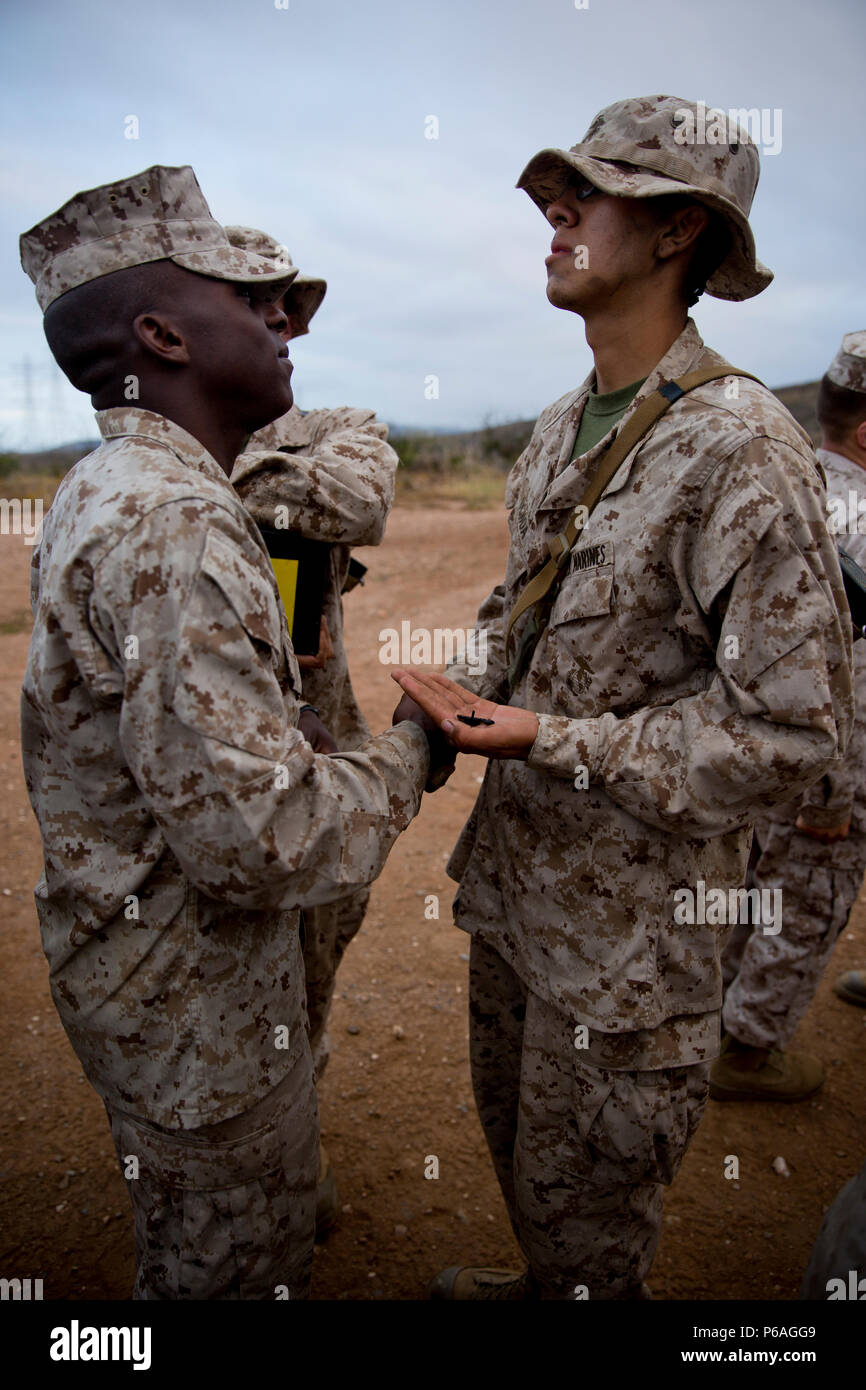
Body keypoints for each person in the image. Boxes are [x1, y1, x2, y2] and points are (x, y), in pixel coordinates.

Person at [393, 95, 854, 1300]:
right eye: (556, 196)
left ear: (675, 233)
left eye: (586, 196)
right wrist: (463, 693)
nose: (554, 216)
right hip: (521, 893)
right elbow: (520, 614)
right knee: (528, 1168)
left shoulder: (743, 446)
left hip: (636, 943)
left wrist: (556, 738)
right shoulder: (559, 429)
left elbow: (793, 730)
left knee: (596, 1217)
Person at [19, 164, 448, 1299]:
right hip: (200, 1014)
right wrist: (416, 748)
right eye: (245, 296)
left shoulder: (108, 483)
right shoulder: (179, 525)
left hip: (154, 982)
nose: (277, 317)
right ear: (161, 334)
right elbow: (263, 841)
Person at [225, 224, 401, 1229]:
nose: (282, 322)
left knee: (311, 969)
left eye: (290, 306)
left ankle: (294, 1153)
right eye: (256, 305)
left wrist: (223, 477)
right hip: (215, 760)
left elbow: (357, 499)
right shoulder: (156, 444)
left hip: (321, 750)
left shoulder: (333, 428)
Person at [713, 332, 866, 1099]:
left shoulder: (790, 485)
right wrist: (834, 792)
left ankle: (722, 1011)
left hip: (761, 752)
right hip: (828, 768)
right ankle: (747, 1049)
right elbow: (846, 679)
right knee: (805, 900)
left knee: (754, 883)